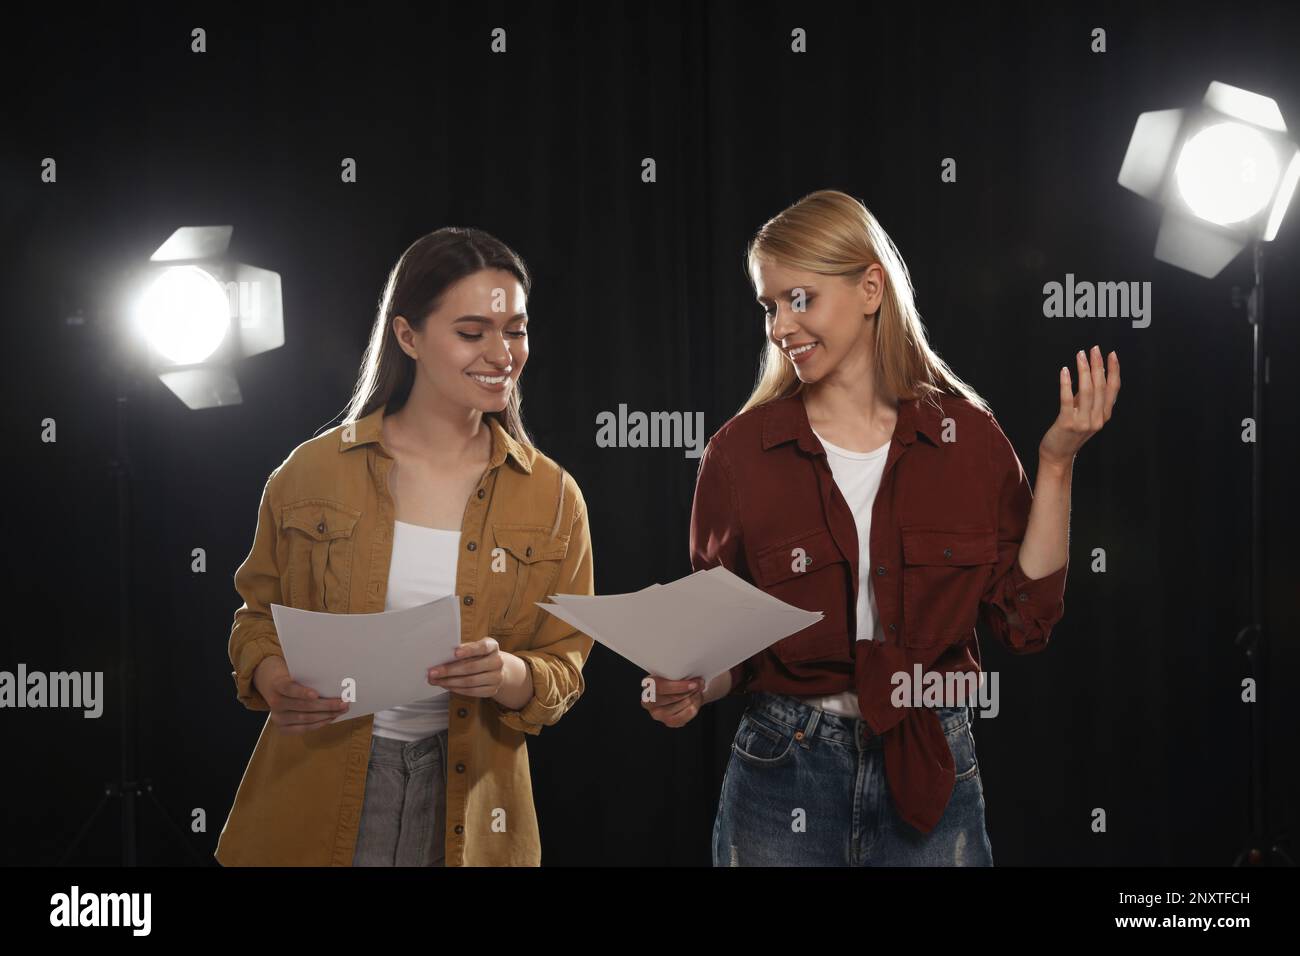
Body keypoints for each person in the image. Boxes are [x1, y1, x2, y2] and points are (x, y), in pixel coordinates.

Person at [642, 189, 1119, 866]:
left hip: (932, 760)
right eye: (769, 305)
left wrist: (1057, 461)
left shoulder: (968, 439)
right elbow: (732, 650)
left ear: (870, 288)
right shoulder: (738, 455)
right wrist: (693, 686)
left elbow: (1025, 619)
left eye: (798, 299)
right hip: (783, 767)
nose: (780, 326)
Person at [216, 226, 594, 866]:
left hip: (470, 807)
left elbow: (566, 662)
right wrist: (271, 675)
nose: (501, 353)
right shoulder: (311, 472)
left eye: (516, 330)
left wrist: (509, 674)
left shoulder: (553, 496)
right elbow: (256, 618)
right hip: (319, 790)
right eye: (472, 333)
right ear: (408, 336)